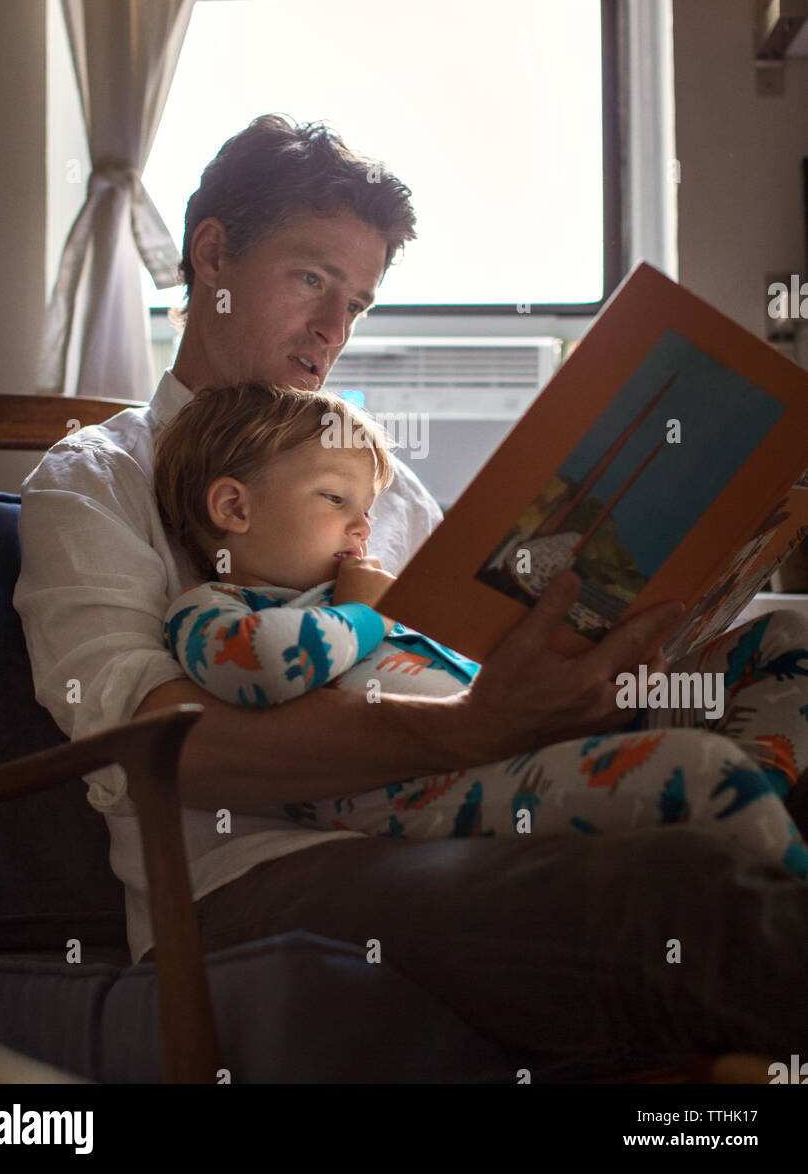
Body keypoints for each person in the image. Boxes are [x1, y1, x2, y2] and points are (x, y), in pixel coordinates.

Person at [14, 114, 808, 1080]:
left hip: (481, 794)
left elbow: (477, 676)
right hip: (250, 877)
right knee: (694, 889)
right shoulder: (96, 479)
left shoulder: (383, 490)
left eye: (359, 302)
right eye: (312, 280)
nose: (334, 330)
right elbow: (151, 750)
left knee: (793, 637)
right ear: (212, 253)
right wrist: (468, 729)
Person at [152, 376, 808, 880]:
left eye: (368, 508)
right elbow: (262, 667)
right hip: (434, 788)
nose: (361, 528)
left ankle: (756, 804)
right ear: (234, 506)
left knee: (784, 640)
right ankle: (772, 878)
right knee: (695, 767)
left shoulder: (371, 598)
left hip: (548, 732)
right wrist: (365, 611)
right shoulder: (214, 606)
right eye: (335, 499)